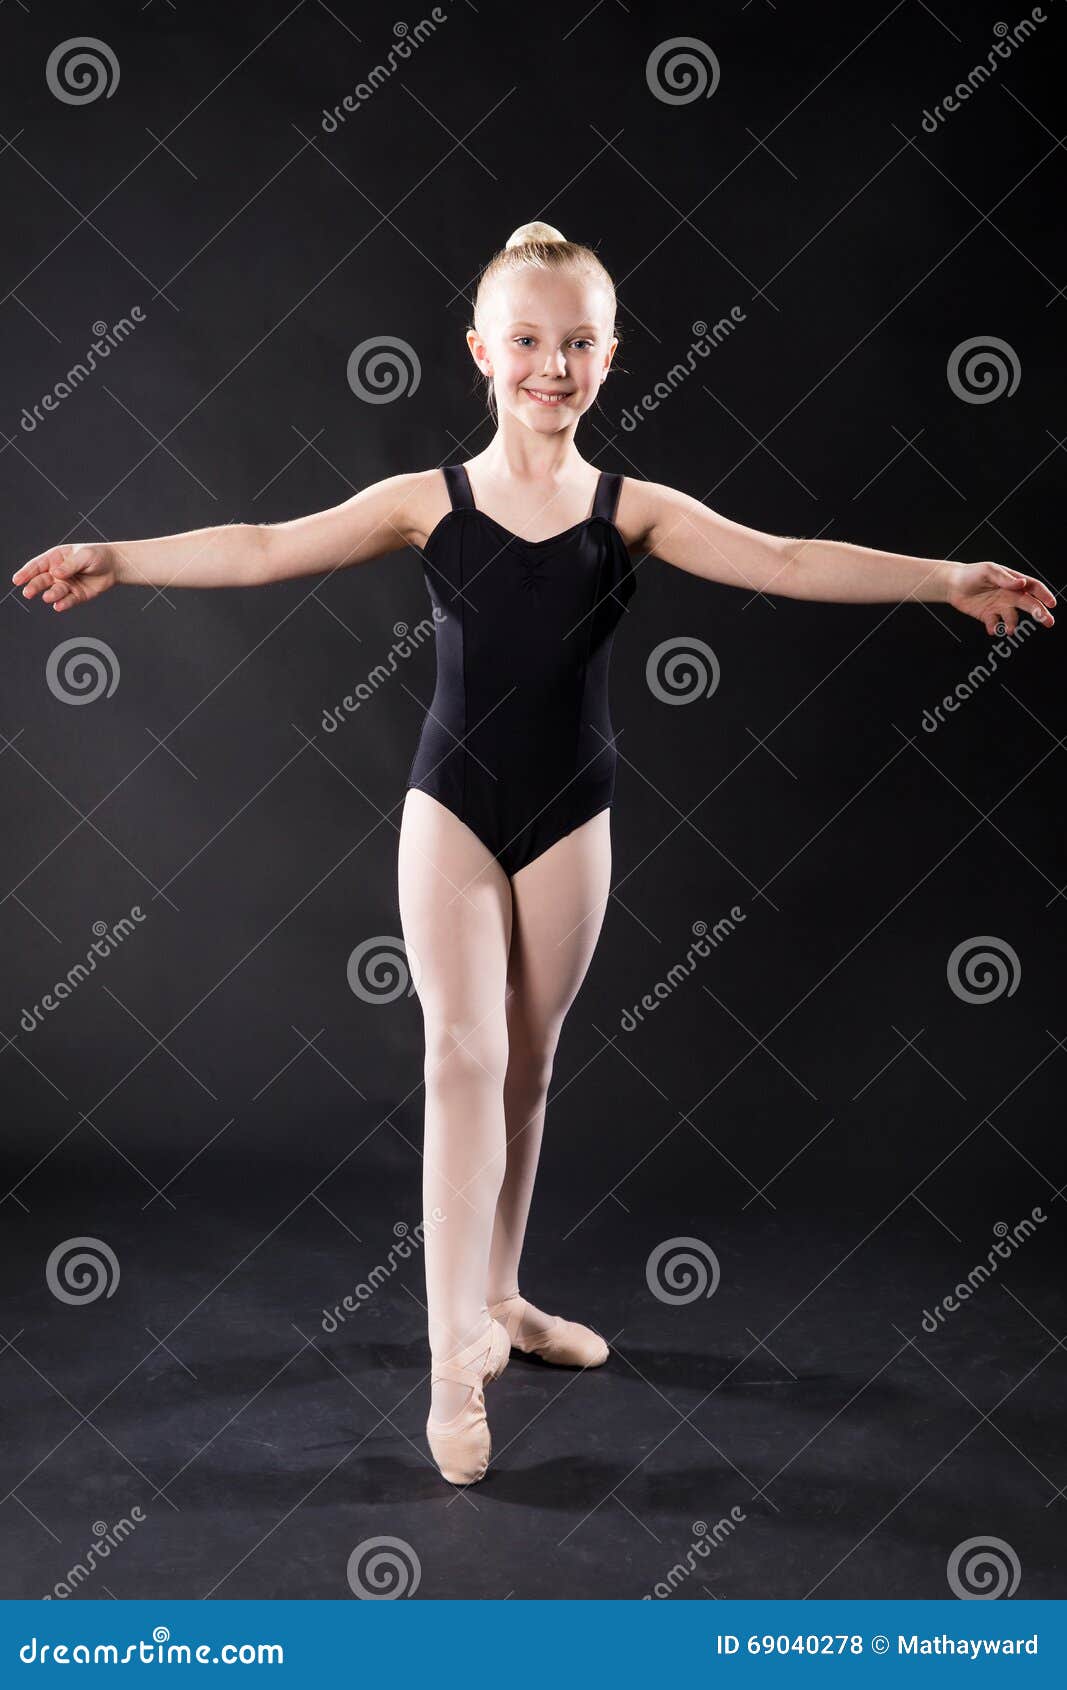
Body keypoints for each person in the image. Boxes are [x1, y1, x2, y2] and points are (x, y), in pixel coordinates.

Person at [12, 221, 1056, 1488]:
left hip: (575, 813)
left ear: (609, 358)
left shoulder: (632, 514)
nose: (550, 366)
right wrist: (118, 558)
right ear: (480, 354)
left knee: (532, 1063)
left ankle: (502, 1298)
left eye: (575, 344)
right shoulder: (424, 504)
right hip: (449, 804)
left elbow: (784, 561)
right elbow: (261, 541)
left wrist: (946, 578)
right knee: (462, 1052)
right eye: (526, 341)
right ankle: (455, 1365)